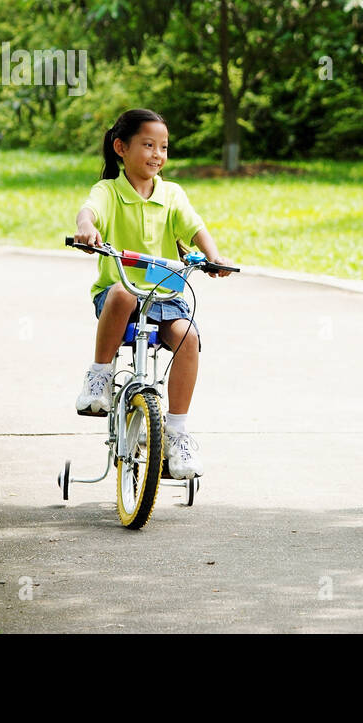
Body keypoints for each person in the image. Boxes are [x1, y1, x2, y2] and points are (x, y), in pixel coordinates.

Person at [72, 109, 233, 479]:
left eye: (163, 146)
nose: (157, 154)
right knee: (123, 294)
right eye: (148, 145)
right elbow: (89, 212)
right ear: (120, 148)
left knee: (188, 336)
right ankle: (98, 376)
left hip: (164, 296)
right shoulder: (109, 191)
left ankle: (176, 431)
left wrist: (214, 257)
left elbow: (196, 228)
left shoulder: (172, 194)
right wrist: (86, 230)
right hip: (120, 294)